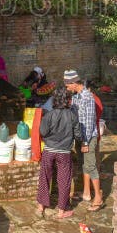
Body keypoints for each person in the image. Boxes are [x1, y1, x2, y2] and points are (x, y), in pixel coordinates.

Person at [36, 85, 80, 219]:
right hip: (64, 152)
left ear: (55, 100)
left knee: (44, 177)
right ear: (67, 101)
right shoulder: (72, 116)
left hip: (49, 150)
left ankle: (41, 207)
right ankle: (61, 211)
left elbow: (42, 132)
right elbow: (78, 135)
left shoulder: (49, 115)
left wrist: (51, 138)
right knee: (64, 180)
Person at [64, 70, 103, 211]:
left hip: (88, 137)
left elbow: (89, 122)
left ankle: (98, 198)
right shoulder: (76, 97)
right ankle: (86, 193)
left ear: (74, 83)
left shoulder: (87, 97)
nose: (66, 87)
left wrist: (85, 142)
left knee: (91, 166)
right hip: (80, 137)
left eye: (67, 84)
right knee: (84, 164)